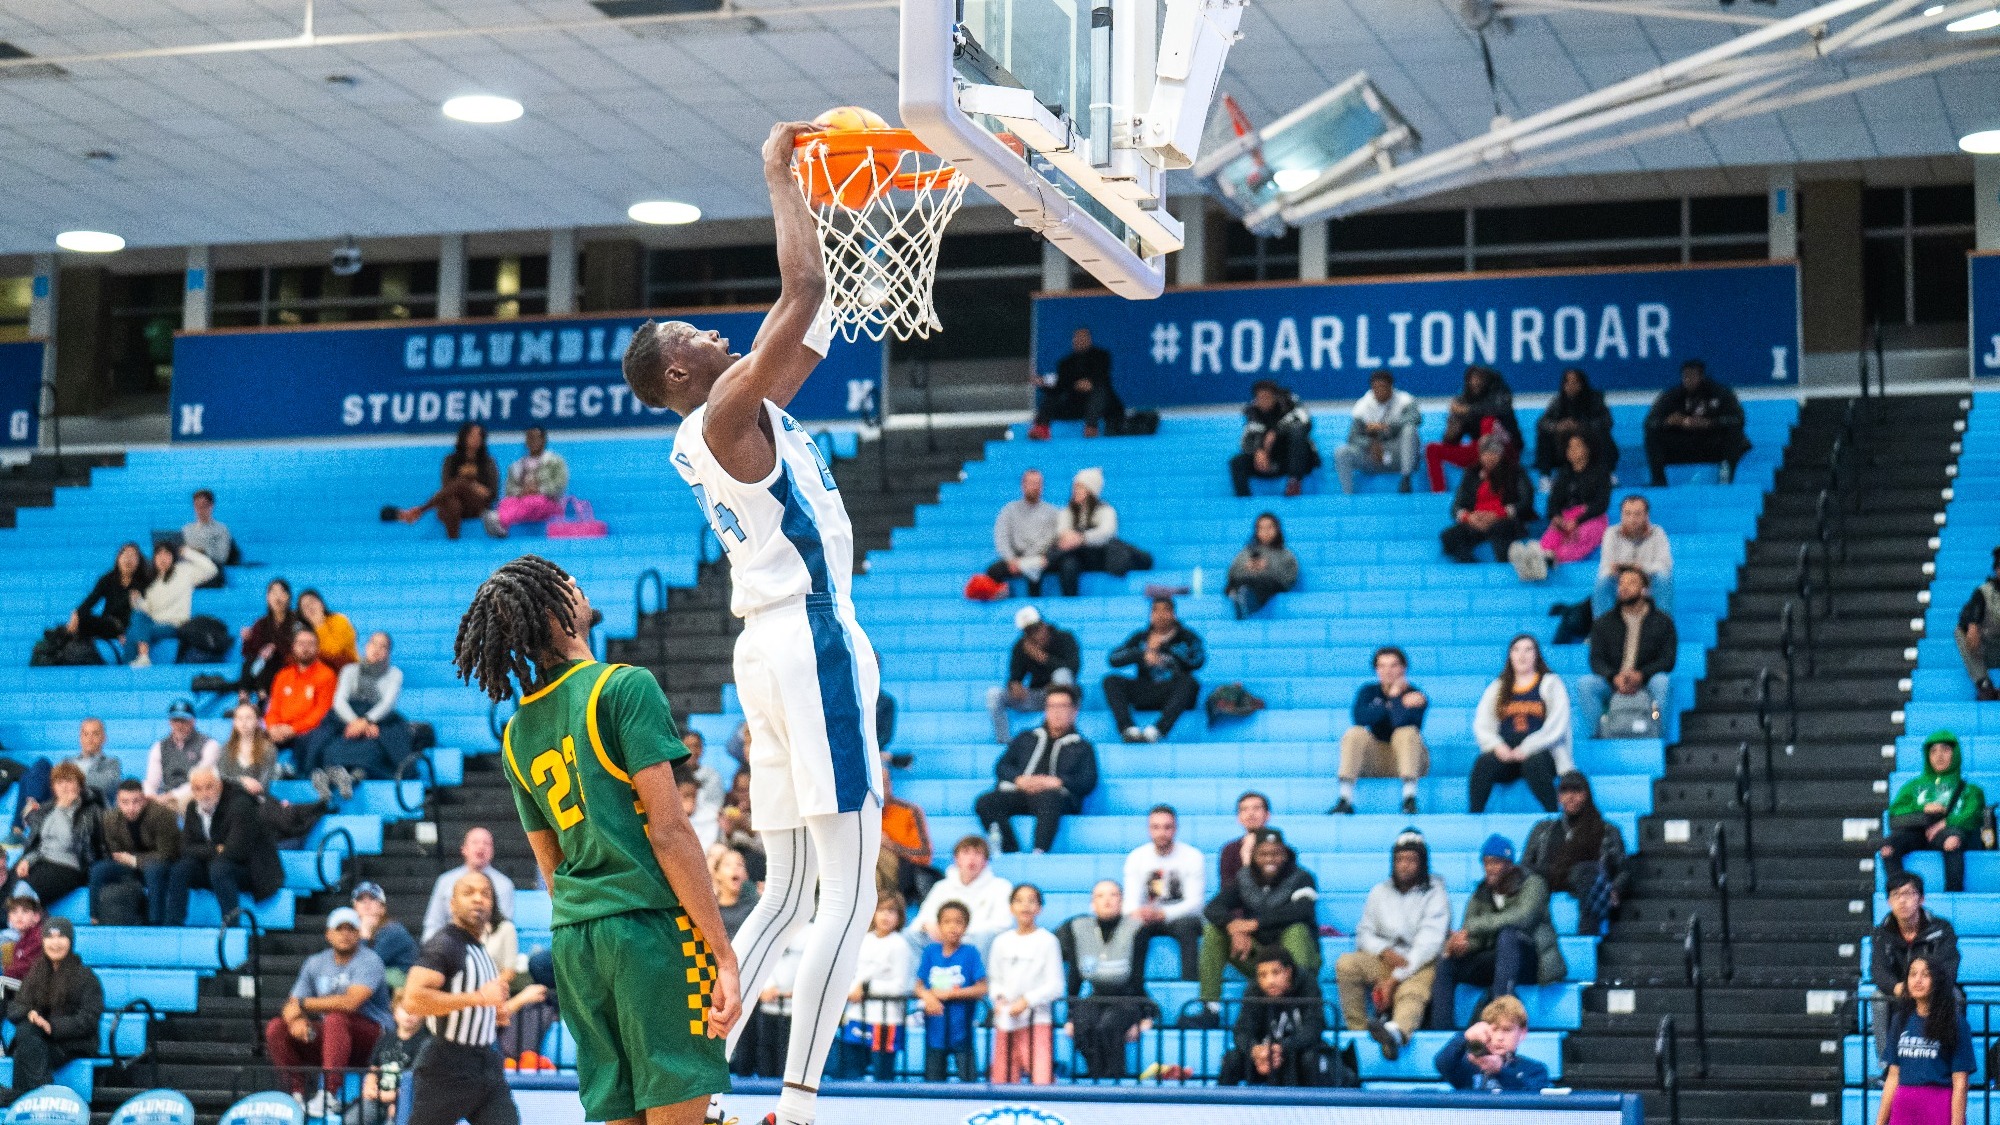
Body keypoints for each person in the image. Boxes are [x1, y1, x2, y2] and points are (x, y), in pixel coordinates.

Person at [621, 128, 882, 1125]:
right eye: (693, 334)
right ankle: (798, 1107)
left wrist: (845, 209)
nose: (713, 334)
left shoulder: (731, 412)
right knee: (848, 897)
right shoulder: (725, 409)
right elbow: (801, 297)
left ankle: (695, 1093)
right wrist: (780, 174)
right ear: (677, 375)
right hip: (808, 639)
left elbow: (811, 327)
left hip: (765, 650)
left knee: (779, 898)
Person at [456, 556, 739, 1125]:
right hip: (649, 930)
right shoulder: (623, 687)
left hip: (577, 942)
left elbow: (551, 869)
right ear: (557, 618)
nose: (578, 584)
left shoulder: (516, 733)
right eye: (568, 585)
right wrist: (723, 953)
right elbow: (670, 830)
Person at [401, 871, 551, 1125]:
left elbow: (486, 1012)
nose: (478, 899)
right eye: (468, 892)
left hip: (485, 1063)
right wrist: (479, 997)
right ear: (452, 903)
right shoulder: (445, 944)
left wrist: (502, 1006)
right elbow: (413, 1000)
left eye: (485, 893)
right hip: (446, 1066)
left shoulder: (478, 948)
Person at [1430, 835, 1565, 1029]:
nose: (1490, 868)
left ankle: (1500, 1014)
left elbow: (1523, 917)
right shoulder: (1481, 893)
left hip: (1531, 960)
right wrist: (1462, 946)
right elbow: (1472, 933)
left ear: (1509, 864)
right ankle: (1441, 1030)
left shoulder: (1533, 883)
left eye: (1495, 862)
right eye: (1486, 863)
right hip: (1497, 961)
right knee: (1447, 960)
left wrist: (1476, 926)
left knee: (1508, 935)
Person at [1334, 829, 1447, 1062]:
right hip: (1386, 958)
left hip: (1418, 964)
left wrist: (1394, 979)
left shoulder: (1436, 894)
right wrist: (1383, 951)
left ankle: (1396, 1035)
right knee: (1346, 964)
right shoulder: (1379, 891)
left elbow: (1429, 944)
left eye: (1411, 860)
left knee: (1411, 993)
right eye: (1399, 860)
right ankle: (1359, 1033)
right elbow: (1364, 933)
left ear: (1422, 862)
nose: (1404, 866)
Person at [267, 906, 392, 1113]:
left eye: (351, 929)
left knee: (336, 1018)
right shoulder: (315, 962)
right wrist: (296, 1021)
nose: (345, 934)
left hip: (373, 1039)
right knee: (276, 1027)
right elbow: (291, 1005)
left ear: (359, 933)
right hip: (335, 1040)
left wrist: (302, 1004)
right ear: (328, 934)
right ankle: (295, 1095)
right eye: (339, 929)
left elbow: (350, 1003)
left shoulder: (370, 960)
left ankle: (330, 1094)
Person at [1193, 829, 1320, 1029]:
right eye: (1263, 854)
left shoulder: (1302, 877)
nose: (1270, 859)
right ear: (1253, 856)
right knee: (1213, 931)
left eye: (1276, 853)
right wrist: (1233, 927)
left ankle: (1300, 1008)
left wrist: (1254, 924)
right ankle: (1211, 1008)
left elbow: (1301, 911)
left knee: (1297, 930)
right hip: (1261, 962)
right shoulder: (1244, 878)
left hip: (1293, 962)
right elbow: (1212, 908)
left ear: (1285, 854)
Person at [973, 685, 1097, 854]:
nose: (1056, 712)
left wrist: (1057, 782)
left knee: (1050, 798)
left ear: (1074, 711)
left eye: (1063, 707)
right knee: (986, 801)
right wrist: (1019, 780)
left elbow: (1088, 780)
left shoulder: (1082, 746)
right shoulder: (1026, 737)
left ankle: (1039, 851)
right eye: (1052, 706)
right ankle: (1010, 851)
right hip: (1021, 791)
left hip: (1055, 797)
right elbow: (1002, 766)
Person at [164, 766, 283, 926]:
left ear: (219, 785)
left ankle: (231, 927)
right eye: (198, 789)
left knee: (220, 868)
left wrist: (209, 851)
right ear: (192, 790)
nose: (204, 794)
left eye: (209, 787)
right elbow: (185, 848)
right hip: (216, 866)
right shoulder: (193, 807)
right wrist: (215, 849)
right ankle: (173, 925)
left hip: (251, 871)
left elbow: (236, 851)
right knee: (181, 868)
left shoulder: (240, 804)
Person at [1056, 880, 1150, 1079]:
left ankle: (1113, 1084)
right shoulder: (1079, 928)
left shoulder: (1137, 929)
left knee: (1108, 1026)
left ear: (1122, 901)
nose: (1107, 900)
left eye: (1113, 895)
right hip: (1095, 996)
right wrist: (1070, 1018)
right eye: (1100, 896)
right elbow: (1075, 976)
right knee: (1083, 1024)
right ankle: (1096, 1081)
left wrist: (1142, 1017)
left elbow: (1137, 977)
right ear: (1092, 903)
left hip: (1127, 999)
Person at [1469, 635, 1572, 814]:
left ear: (1536, 655)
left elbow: (1557, 725)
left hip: (1542, 751)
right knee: (1483, 763)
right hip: (1508, 753)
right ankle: (1474, 816)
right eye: (1516, 650)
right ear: (1510, 655)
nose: (1521, 655)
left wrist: (1528, 747)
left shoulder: (1550, 683)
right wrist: (1497, 746)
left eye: (1528, 649)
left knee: (1534, 763)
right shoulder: (1498, 686)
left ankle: (1554, 815)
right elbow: (1482, 724)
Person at [5, 917, 102, 1101]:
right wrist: (30, 1013)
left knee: (25, 1045)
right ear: (43, 941)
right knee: (26, 1032)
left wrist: (51, 1026)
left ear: (70, 941)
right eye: (49, 937)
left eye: (61, 937)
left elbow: (88, 1020)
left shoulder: (86, 977)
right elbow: (15, 1007)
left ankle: (34, 1097)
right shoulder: (36, 971)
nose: (55, 943)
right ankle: (34, 1095)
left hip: (74, 1043)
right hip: (39, 1040)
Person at [1575, 567, 1677, 740]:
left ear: (1645, 590)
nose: (1624, 587)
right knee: (1586, 685)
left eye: (1631, 582)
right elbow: (1596, 659)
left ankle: (1658, 735)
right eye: (1621, 583)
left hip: (1647, 679)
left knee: (1662, 683)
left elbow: (1668, 660)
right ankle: (1597, 736)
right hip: (1614, 680)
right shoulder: (1603, 623)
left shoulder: (1663, 622)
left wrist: (1641, 674)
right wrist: (1613, 677)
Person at [1522, 772, 1628, 935]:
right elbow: (1525, 864)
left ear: (1587, 795)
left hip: (1587, 878)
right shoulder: (1543, 829)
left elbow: (1624, 869)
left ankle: (1587, 932)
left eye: (1576, 791)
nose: (1570, 797)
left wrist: (1615, 889)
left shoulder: (1607, 830)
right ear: (1559, 797)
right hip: (1552, 876)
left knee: (1585, 871)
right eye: (1565, 792)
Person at [1881, 729, 1987, 894]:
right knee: (1888, 848)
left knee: (1952, 841)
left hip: (1948, 833)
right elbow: (1895, 812)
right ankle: (1899, 894)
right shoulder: (1913, 786)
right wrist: (1922, 808)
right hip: (1917, 833)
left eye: (1945, 750)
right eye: (1933, 751)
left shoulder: (1970, 790)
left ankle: (1954, 895)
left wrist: (1946, 823)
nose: (1939, 756)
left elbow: (1973, 815)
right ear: (1927, 755)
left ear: (1955, 753)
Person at [305, 631, 415, 786]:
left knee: (388, 743)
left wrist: (366, 721)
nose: (376, 649)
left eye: (383, 646)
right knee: (321, 738)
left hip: (379, 720)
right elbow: (340, 701)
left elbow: (387, 704)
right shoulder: (350, 670)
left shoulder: (395, 674)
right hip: (348, 717)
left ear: (388, 653)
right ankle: (330, 774)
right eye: (373, 644)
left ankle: (353, 776)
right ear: (366, 646)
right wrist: (355, 722)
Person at [1872, 872, 1960, 1061]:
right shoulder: (1882, 933)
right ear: (1888, 902)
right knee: (1878, 998)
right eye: (1896, 895)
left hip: (1934, 990)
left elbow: (1949, 966)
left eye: (1908, 894)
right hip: (1901, 991)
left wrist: (1926, 987)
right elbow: (1878, 970)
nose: (1902, 901)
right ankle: (1887, 1064)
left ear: (1921, 899)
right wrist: (1900, 988)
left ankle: (1947, 1062)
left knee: (1955, 996)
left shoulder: (1941, 929)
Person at [1332, 646, 1429, 816]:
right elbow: (1360, 718)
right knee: (1355, 733)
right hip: (1376, 759)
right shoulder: (1368, 691)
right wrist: (1394, 701)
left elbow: (1400, 721)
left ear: (1403, 668)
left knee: (1406, 732)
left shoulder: (1416, 694)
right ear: (1376, 669)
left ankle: (1409, 798)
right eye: (1382, 666)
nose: (1388, 671)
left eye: (1393, 665)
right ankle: (1345, 799)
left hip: (1408, 759)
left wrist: (1394, 697)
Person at [1876, 956, 1972, 1125]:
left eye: (1925, 975)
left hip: (1938, 1107)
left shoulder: (1955, 1023)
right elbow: (1893, 1076)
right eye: (1912, 974)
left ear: (1937, 981)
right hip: (1903, 1108)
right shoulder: (1900, 1020)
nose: (1917, 980)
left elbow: (1960, 1082)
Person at [986, 883, 1063, 1085]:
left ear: (1040, 908)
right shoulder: (1001, 942)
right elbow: (995, 980)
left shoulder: (1048, 941)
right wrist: (1000, 999)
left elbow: (1056, 985)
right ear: (1011, 908)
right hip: (1006, 1019)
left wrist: (1027, 1001)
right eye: (1019, 900)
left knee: (1041, 1078)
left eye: (1031, 901)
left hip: (1037, 1019)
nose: (1025, 906)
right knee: (1003, 1079)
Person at [1102, 597, 1205, 743]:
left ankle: (1158, 730)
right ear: (1151, 615)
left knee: (1190, 682)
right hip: (1146, 690)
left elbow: (1197, 661)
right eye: (1156, 611)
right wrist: (1141, 655)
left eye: (1165, 611)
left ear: (1173, 614)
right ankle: (1128, 729)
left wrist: (1166, 649)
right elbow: (1113, 659)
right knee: (1110, 680)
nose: (1160, 615)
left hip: (1174, 693)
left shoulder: (1187, 637)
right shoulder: (1140, 638)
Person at [1218, 948, 1326, 1087]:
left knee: (1311, 1059)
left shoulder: (1307, 984)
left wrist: (1282, 1048)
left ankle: (1316, 1107)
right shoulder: (1254, 989)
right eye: (1263, 975)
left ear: (1288, 972)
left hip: (1298, 1053)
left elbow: (1314, 1027)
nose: (1270, 981)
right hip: (1263, 1058)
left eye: (1275, 973)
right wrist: (1255, 1050)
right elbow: (1242, 1030)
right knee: (1232, 1059)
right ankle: (1220, 1105)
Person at [1123, 805, 1206, 982]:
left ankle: (1190, 987)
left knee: (1188, 925)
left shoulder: (1192, 856)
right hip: (1147, 917)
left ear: (1175, 829)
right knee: (1133, 927)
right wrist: (1137, 912)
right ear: (1149, 829)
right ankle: (1133, 988)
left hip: (1179, 918)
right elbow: (1130, 901)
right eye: (1156, 827)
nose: (1162, 832)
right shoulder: (1136, 857)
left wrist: (1162, 914)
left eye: (1167, 827)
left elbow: (1196, 904)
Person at [837, 892, 911, 1082]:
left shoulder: (900, 945)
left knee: (882, 1075)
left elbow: (900, 987)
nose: (885, 916)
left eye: (891, 911)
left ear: (900, 916)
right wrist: (851, 990)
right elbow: (850, 973)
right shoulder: (863, 940)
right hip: (856, 1016)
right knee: (851, 1074)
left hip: (885, 1020)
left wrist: (867, 988)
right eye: (880, 910)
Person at [9, 717, 121, 840]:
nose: (90, 739)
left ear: (104, 738)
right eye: (85, 734)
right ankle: (29, 808)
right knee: (40, 766)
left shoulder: (111, 763)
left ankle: (20, 823)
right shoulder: (68, 761)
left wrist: (70, 781)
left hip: (86, 807)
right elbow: (54, 782)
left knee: (27, 778)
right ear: (80, 738)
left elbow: (105, 784)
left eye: (95, 734)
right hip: (59, 802)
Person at [1643, 359, 1750, 486]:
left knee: (1734, 434)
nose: (1688, 380)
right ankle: (1659, 481)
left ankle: (1726, 477)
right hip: (1684, 445)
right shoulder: (1672, 396)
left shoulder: (1721, 394)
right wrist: (1669, 421)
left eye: (1692, 376)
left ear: (1702, 376)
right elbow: (1650, 422)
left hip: (1712, 445)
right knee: (1652, 435)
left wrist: (1711, 423)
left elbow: (1737, 419)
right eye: (1685, 376)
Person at [913, 901, 987, 1081]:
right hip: (935, 1031)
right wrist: (928, 997)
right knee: (933, 1084)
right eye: (947, 922)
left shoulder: (970, 953)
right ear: (939, 926)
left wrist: (949, 994)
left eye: (958, 922)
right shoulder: (931, 952)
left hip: (962, 1031)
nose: (953, 927)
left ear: (966, 926)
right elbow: (919, 985)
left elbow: (982, 988)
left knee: (968, 1084)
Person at [1046, 467, 1147, 598]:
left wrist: (1082, 538)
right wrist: (1074, 539)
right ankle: (1070, 600)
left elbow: (1107, 533)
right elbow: (1062, 532)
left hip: (1099, 555)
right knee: (1068, 563)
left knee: (1116, 549)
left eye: (1080, 487)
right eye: (1075, 487)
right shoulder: (1067, 511)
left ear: (1090, 490)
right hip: (1079, 557)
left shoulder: (1106, 510)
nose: (1075, 491)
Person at [90, 779, 180, 925]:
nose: (131, 807)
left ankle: (155, 923)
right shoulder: (110, 819)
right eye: (125, 802)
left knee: (154, 869)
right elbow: (116, 854)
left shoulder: (162, 815)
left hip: (160, 867)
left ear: (144, 800)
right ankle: (95, 918)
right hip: (128, 868)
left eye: (136, 801)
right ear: (118, 802)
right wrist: (131, 861)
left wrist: (134, 860)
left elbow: (167, 853)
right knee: (99, 869)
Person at [10, 762, 100, 908]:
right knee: (7, 883)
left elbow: (68, 842)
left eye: (69, 781)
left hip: (69, 866)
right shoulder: (47, 809)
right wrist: (28, 860)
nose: (64, 786)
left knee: (23, 891)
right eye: (59, 782)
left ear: (80, 785)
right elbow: (39, 844)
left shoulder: (90, 811)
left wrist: (62, 809)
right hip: (42, 861)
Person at [987, 606, 1081, 743]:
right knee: (993, 694)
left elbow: (1073, 669)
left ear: (1044, 625)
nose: (1035, 635)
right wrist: (1014, 685)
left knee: (1062, 674)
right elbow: (1015, 676)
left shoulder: (1065, 638)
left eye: (1036, 629)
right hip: (1037, 695)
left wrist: (1043, 658)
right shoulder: (1022, 646)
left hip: (1062, 696)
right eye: (1029, 632)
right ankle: (1004, 740)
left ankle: (1062, 731)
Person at [910, 835, 1014, 956]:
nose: (971, 858)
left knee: (984, 937)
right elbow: (922, 918)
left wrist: (958, 932)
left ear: (985, 861)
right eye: (966, 852)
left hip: (976, 944)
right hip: (941, 941)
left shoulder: (1001, 887)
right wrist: (928, 925)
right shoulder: (942, 887)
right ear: (956, 859)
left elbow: (1003, 923)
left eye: (977, 853)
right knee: (910, 936)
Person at [1440, 433, 1536, 564]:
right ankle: (1470, 567)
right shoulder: (1471, 474)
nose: (1490, 457)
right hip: (1477, 521)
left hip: (1505, 521)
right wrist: (1469, 517)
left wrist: (1498, 515)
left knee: (1500, 529)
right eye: (1486, 453)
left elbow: (1526, 502)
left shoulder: (1515, 472)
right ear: (1480, 455)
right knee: (1448, 536)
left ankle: (1504, 566)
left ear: (1501, 454)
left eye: (1494, 453)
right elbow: (1456, 506)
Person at [399, 421, 504, 539]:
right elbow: (447, 488)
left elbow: (491, 493)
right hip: (454, 504)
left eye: (479, 436)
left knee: (461, 483)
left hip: (478, 506)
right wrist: (469, 485)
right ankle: (454, 542)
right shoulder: (451, 460)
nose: (475, 439)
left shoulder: (488, 462)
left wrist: (470, 484)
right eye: (472, 435)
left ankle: (421, 510)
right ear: (464, 437)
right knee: (452, 503)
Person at [1425, 366, 1520, 492]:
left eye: (1479, 378)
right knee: (1432, 449)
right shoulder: (1464, 400)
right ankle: (1439, 492)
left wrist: (1467, 410)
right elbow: (1452, 442)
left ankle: (1488, 480)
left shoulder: (1500, 395)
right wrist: (1452, 430)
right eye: (1472, 379)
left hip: (1504, 449)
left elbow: (1496, 410)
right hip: (1477, 449)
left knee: (1488, 421)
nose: (1475, 382)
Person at [125, 542, 219, 667]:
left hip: (174, 624)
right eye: (159, 555)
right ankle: (131, 665)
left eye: (167, 554)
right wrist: (136, 601)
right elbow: (148, 610)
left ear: (173, 556)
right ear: (154, 558)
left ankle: (140, 658)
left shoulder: (184, 571)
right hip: (154, 623)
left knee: (135, 631)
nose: (163, 558)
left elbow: (211, 569)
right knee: (135, 621)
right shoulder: (152, 582)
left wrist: (187, 552)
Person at [1530, 434, 1613, 571]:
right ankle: (1539, 557)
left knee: (1582, 534)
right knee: (1552, 534)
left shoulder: (1600, 472)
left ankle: (1551, 559)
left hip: (1591, 517)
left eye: (1577, 446)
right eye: (1569, 447)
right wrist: (1556, 517)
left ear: (1587, 449)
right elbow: (1553, 502)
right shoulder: (1563, 473)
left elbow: (1601, 504)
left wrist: (1578, 520)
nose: (1572, 450)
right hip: (1566, 517)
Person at [1433, 995, 1551, 1092]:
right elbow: (1442, 1063)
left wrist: (1501, 1070)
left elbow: (1533, 1096)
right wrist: (1465, 1036)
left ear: (1523, 1033)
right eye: (1494, 1029)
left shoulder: (1535, 1070)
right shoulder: (1471, 1065)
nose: (1499, 1037)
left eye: (1507, 1030)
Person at [422, 829, 519, 940]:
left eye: (486, 843)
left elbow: (503, 928)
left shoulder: (504, 885)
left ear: (492, 851)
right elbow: (433, 924)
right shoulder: (445, 881)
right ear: (464, 849)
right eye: (475, 842)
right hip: (449, 944)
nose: (481, 847)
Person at [1230, 381, 1321, 498]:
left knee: (1297, 431)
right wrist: (1258, 450)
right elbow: (1245, 441)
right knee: (1237, 462)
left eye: (1267, 397)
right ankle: (1244, 502)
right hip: (1267, 461)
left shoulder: (1291, 403)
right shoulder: (1252, 412)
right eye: (1260, 398)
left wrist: (1275, 432)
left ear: (1275, 396)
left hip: (1293, 460)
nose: (1263, 401)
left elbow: (1306, 422)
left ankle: (1294, 482)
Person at [1334, 369, 1420, 494]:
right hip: (1374, 455)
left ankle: (1406, 479)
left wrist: (1387, 426)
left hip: (1398, 452)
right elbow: (1352, 438)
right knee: (1342, 452)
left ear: (1391, 387)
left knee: (1410, 430)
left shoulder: (1404, 401)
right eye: (1376, 388)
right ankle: (1348, 496)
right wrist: (1370, 444)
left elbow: (1416, 418)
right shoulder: (1363, 406)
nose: (1379, 391)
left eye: (1383, 387)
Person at [1029, 327, 1121, 439]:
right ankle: (1041, 428)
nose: (1079, 340)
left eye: (1083, 337)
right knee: (1051, 396)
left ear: (1089, 340)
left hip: (1101, 405)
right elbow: (1060, 387)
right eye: (1077, 338)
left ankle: (1091, 428)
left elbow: (1102, 377)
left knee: (1099, 392)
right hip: (1075, 405)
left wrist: (1090, 382)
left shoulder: (1102, 356)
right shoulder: (1065, 363)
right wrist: (1043, 384)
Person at [984, 469, 1061, 597]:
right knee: (993, 571)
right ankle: (1003, 601)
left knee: (1036, 570)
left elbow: (1051, 539)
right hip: (1015, 558)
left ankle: (1035, 607)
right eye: (1031, 483)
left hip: (1040, 559)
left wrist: (1029, 560)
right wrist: (1012, 560)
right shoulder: (1009, 510)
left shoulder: (1052, 512)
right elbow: (1001, 538)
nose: (1035, 487)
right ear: (1023, 485)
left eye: (1038, 484)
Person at [1595, 494, 1674, 615]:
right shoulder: (1611, 533)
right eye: (1627, 514)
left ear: (1646, 516)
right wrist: (1625, 574)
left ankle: (1663, 625)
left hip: (1647, 582)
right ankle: (1603, 628)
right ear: (1621, 515)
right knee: (1603, 579)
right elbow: (1606, 566)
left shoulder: (1658, 532)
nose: (1632, 519)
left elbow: (1665, 565)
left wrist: (1640, 569)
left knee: (1663, 577)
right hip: (1621, 582)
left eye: (1637, 514)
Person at [359, 999, 432, 1125]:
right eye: (404, 1009)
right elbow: (374, 1066)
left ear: (424, 1014)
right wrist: (370, 1086)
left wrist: (394, 1097)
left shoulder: (426, 1043)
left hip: (407, 1099)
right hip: (378, 1096)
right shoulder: (386, 1038)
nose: (409, 1014)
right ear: (394, 1013)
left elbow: (417, 1078)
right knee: (353, 1118)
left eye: (414, 1010)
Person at [265, 629, 338, 755]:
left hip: (308, 732)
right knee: (250, 738)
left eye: (310, 644)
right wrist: (273, 727)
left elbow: (321, 712)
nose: (305, 648)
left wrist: (293, 729)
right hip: (279, 730)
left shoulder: (327, 675)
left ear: (317, 648)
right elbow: (273, 709)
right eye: (301, 644)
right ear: (293, 647)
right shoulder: (283, 675)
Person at [62, 542, 148, 647]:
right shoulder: (107, 579)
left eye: (133, 556)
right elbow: (91, 600)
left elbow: (143, 613)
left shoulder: (144, 582)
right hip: (108, 624)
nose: (128, 559)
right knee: (81, 619)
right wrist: (76, 614)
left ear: (139, 562)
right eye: (124, 555)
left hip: (128, 626)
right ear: (118, 559)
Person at [1534, 367, 1617, 475]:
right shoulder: (1558, 402)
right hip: (1564, 449)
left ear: (1582, 384)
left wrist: (1581, 427)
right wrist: (1558, 426)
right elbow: (1542, 423)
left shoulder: (1595, 399)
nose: (1571, 386)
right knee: (1544, 435)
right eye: (1567, 383)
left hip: (1590, 443)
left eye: (1575, 382)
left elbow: (1607, 422)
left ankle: (1608, 473)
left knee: (1602, 435)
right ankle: (1545, 476)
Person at [143, 699, 222, 809]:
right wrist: (150, 796)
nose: (179, 725)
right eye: (176, 720)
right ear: (170, 722)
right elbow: (152, 781)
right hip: (165, 796)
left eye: (184, 721)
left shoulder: (209, 744)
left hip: (195, 795)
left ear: (193, 721)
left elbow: (201, 780)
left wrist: (172, 796)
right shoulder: (159, 746)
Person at [876, 770, 936, 903]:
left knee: (874, 852)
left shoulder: (909, 811)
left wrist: (889, 844)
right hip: (869, 874)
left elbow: (925, 855)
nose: (880, 789)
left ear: (890, 785)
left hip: (902, 874)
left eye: (883, 783)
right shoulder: (857, 815)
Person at [239, 577, 302, 702]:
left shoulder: (296, 621)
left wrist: (274, 648)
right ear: (267, 598)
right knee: (252, 662)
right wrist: (247, 639)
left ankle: (262, 699)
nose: (277, 597)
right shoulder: (261, 623)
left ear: (289, 597)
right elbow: (249, 653)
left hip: (286, 664)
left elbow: (297, 648)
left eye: (282, 592)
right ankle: (243, 698)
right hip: (264, 666)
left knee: (270, 663)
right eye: (273, 592)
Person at [495, 426, 570, 531]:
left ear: (544, 440)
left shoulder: (556, 462)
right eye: (530, 438)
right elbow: (509, 489)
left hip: (548, 502)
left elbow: (559, 486)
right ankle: (500, 522)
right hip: (522, 498)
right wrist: (522, 491)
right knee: (505, 502)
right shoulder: (517, 465)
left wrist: (538, 490)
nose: (533, 441)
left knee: (534, 502)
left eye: (536, 438)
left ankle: (501, 522)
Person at [1225, 513, 1298, 620]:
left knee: (1263, 582)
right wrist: (1248, 568)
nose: (1266, 532)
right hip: (1246, 581)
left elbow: (1287, 580)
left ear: (1277, 529)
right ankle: (1240, 597)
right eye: (1261, 528)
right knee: (1239, 582)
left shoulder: (1286, 554)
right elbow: (1232, 573)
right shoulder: (1246, 552)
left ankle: (1245, 601)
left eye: (1269, 527)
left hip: (1268, 585)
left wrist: (1265, 568)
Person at [1955, 547, 2000, 700]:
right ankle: (1984, 684)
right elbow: (1966, 615)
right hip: (1989, 648)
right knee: (1961, 631)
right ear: (1996, 570)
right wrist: (1972, 624)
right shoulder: (1983, 592)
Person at [353, 881, 420, 983]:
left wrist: (364, 936)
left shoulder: (393, 931)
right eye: (361, 899)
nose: (367, 903)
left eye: (372, 898)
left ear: (382, 908)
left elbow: (368, 965)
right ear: (354, 908)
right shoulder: (352, 930)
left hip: (404, 982)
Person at [1219, 791, 1271, 889]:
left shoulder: (1280, 848)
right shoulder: (1229, 850)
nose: (1250, 814)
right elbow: (1227, 889)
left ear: (1267, 815)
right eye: (1244, 809)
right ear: (1238, 818)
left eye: (1256, 808)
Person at [708, 844, 760, 938]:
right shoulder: (710, 910)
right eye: (727, 864)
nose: (735, 868)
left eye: (739, 864)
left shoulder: (756, 906)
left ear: (746, 875)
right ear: (717, 874)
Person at [298, 589, 358, 670]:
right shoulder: (306, 633)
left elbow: (335, 651)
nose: (310, 607)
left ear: (321, 603)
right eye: (305, 607)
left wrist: (319, 624)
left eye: (312, 602)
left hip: (347, 671)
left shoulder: (339, 620)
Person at [183, 488, 235, 577]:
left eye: (204, 506)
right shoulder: (187, 529)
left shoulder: (221, 529)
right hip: (189, 569)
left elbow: (222, 557)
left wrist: (201, 551)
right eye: (197, 506)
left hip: (211, 570)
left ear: (211, 506)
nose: (200, 510)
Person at [2, 897, 45, 987]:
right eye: (14, 912)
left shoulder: (38, 937)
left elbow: (25, 968)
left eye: (25, 911)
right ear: (9, 918)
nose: (19, 916)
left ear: (36, 917)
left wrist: (6, 975)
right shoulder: (20, 941)